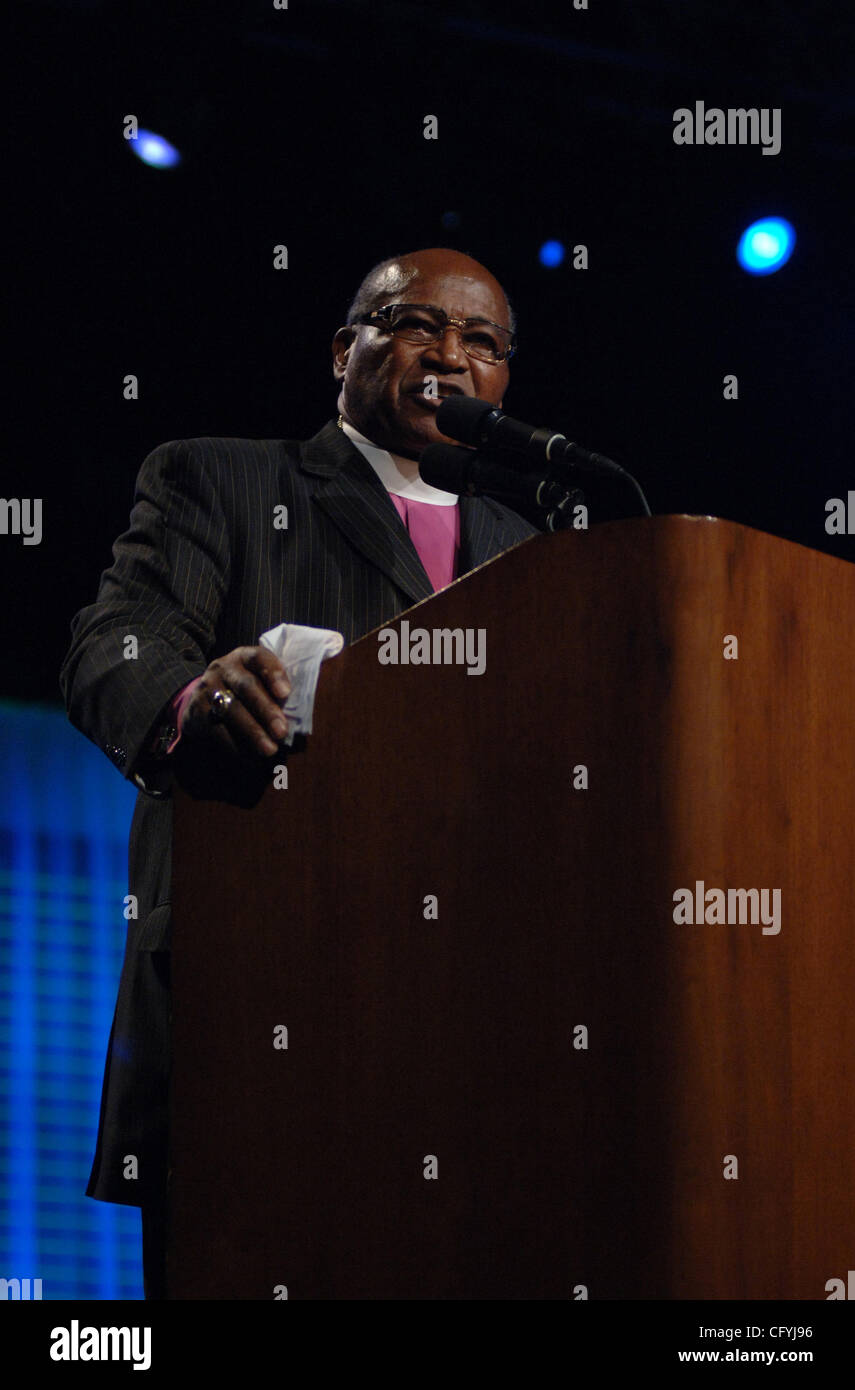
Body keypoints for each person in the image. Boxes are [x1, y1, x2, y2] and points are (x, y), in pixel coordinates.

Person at [59, 247, 538, 1298]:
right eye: (416, 324)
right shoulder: (222, 477)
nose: (447, 357)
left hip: (469, 1047)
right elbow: (113, 645)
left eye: (481, 343)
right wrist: (195, 698)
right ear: (345, 350)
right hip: (262, 1020)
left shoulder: (532, 551)